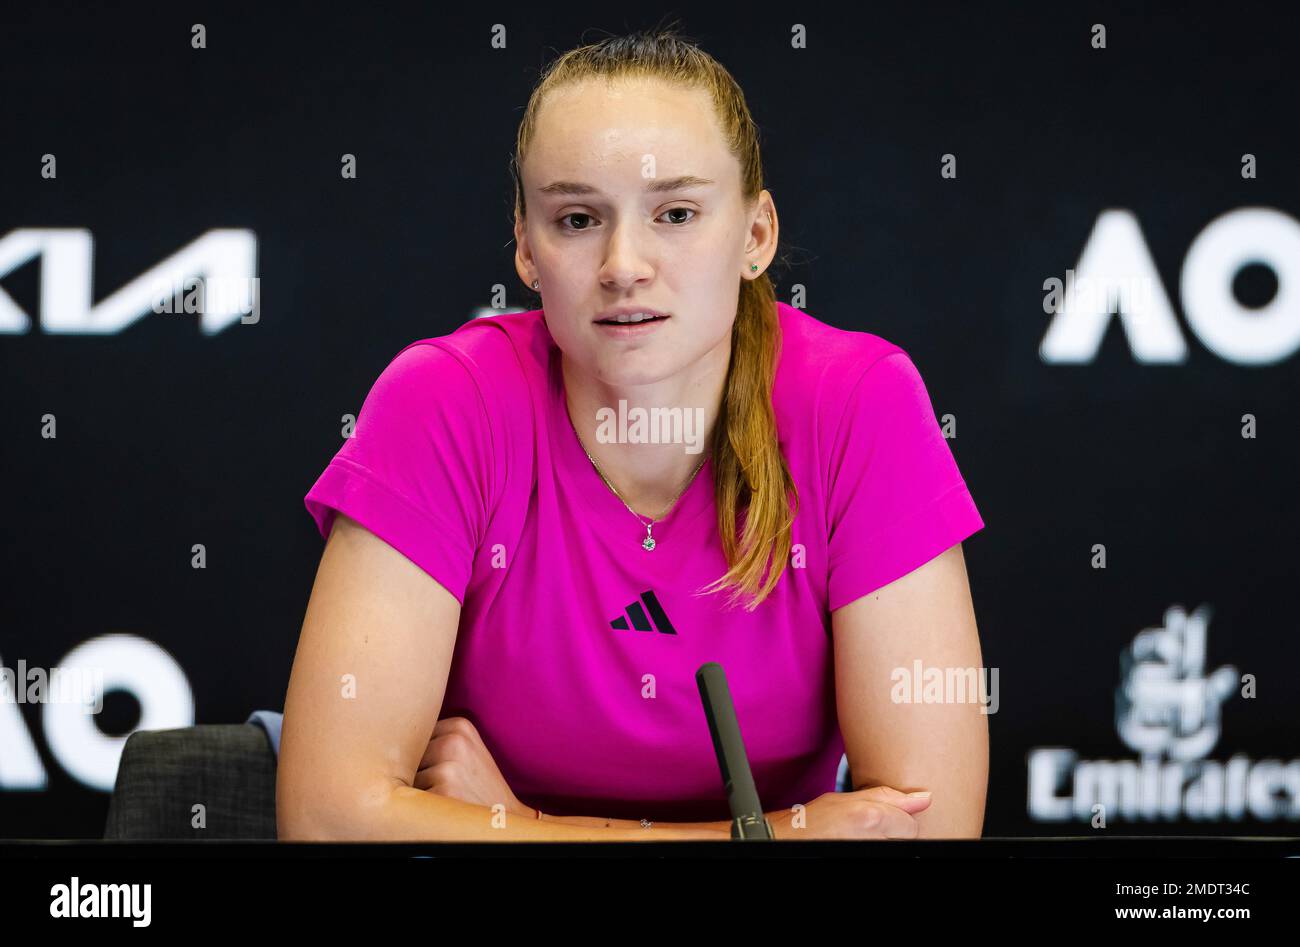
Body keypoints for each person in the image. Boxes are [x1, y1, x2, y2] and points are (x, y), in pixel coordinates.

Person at [277, 27, 988, 841]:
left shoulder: (861, 402)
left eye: (676, 213)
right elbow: (326, 820)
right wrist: (774, 838)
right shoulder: (443, 400)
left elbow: (927, 831)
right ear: (525, 248)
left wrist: (513, 828)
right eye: (578, 219)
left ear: (756, 236)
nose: (623, 264)